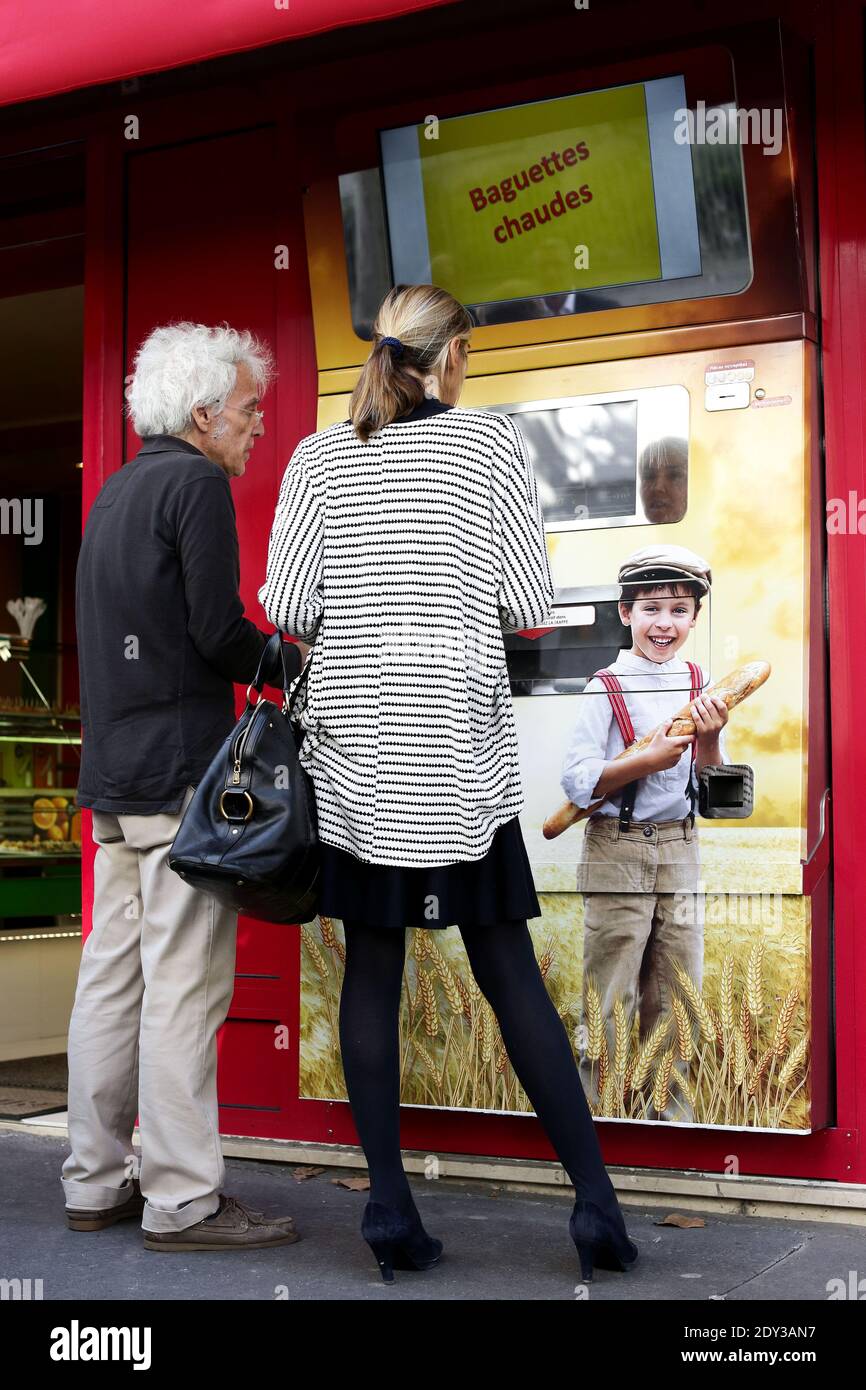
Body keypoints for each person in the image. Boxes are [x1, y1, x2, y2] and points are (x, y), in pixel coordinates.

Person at [259, 283, 638, 1284]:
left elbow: (291, 602)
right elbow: (525, 598)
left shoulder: (315, 456)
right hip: (456, 755)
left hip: (360, 757)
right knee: (508, 969)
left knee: (370, 972)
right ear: (453, 355)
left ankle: (389, 1211)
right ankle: (595, 1206)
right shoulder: (489, 447)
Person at [63, 322, 307, 1251]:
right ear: (204, 414)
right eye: (249, 410)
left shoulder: (119, 489)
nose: (256, 427)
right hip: (176, 783)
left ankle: (92, 1181)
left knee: (110, 983)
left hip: (113, 783)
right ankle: (182, 1199)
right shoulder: (196, 484)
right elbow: (216, 631)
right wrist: (291, 661)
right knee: (182, 989)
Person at [560, 545, 730, 1122]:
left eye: (679, 610)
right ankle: (594, 1115)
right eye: (652, 608)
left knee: (679, 991)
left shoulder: (701, 684)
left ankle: (669, 1116)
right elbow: (580, 781)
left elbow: (712, 785)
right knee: (609, 990)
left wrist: (708, 739)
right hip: (617, 848)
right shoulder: (604, 685)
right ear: (626, 613)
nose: (665, 623)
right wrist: (645, 761)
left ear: (694, 619)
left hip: (680, 846)